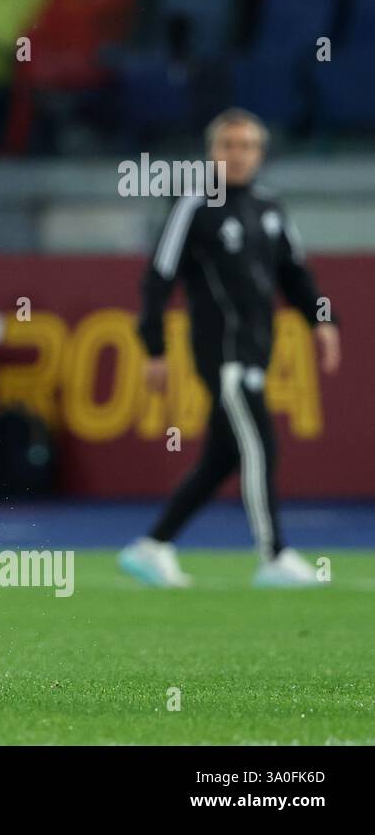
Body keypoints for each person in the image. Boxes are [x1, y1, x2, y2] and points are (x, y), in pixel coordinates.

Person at [121, 108, 341, 588]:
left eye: (247, 146)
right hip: (223, 354)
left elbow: (295, 275)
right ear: (212, 152)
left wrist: (323, 321)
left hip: (258, 349)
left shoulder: (270, 206)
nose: (238, 155)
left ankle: (152, 545)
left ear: (260, 154)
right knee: (261, 444)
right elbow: (159, 277)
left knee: (224, 456)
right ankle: (274, 554)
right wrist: (154, 347)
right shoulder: (194, 206)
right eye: (228, 146)